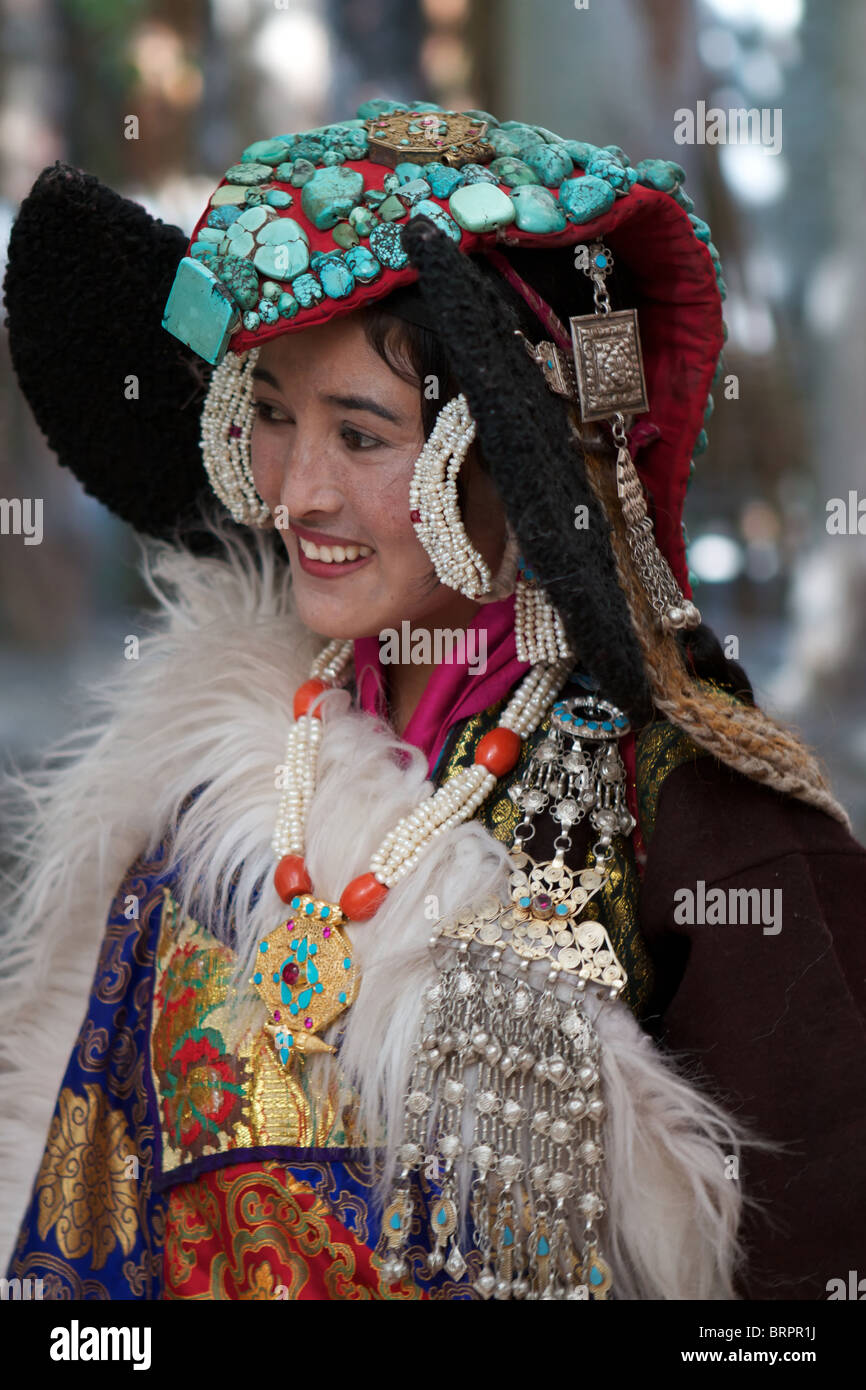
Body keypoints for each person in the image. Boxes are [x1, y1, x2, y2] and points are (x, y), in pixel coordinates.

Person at [2, 100, 864, 1302]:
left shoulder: (702, 824)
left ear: (514, 456)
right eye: (268, 417)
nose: (296, 492)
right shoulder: (200, 762)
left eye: (360, 435)